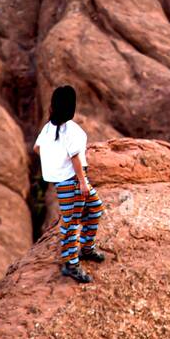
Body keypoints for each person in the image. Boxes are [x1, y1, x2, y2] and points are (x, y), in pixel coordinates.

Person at [31, 86, 105, 284]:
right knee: (71, 222)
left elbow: (37, 148)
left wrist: (54, 165)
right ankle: (71, 265)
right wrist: (81, 181)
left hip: (64, 180)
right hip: (73, 181)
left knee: (95, 209)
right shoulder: (70, 130)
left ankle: (86, 248)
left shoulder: (49, 127)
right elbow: (74, 158)